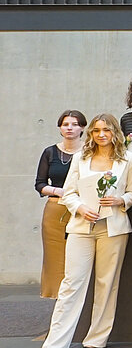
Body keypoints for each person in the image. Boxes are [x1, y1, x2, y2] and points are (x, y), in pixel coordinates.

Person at [38, 114, 132, 348]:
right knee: (71, 283)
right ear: (91, 133)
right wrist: (81, 207)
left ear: (115, 132)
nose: (101, 134)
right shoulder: (81, 158)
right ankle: (54, 345)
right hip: (82, 226)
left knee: (107, 283)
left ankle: (96, 338)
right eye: (96, 131)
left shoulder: (129, 159)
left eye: (106, 130)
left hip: (113, 228)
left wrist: (120, 200)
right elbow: (69, 193)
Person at [35, 109, 85, 299]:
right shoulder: (50, 152)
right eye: (65, 124)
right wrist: (59, 191)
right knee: (55, 258)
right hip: (55, 209)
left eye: (74, 124)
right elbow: (39, 184)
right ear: (60, 128)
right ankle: (58, 299)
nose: (70, 128)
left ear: (82, 127)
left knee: (79, 257)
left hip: (80, 209)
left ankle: (79, 298)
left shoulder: (89, 152)